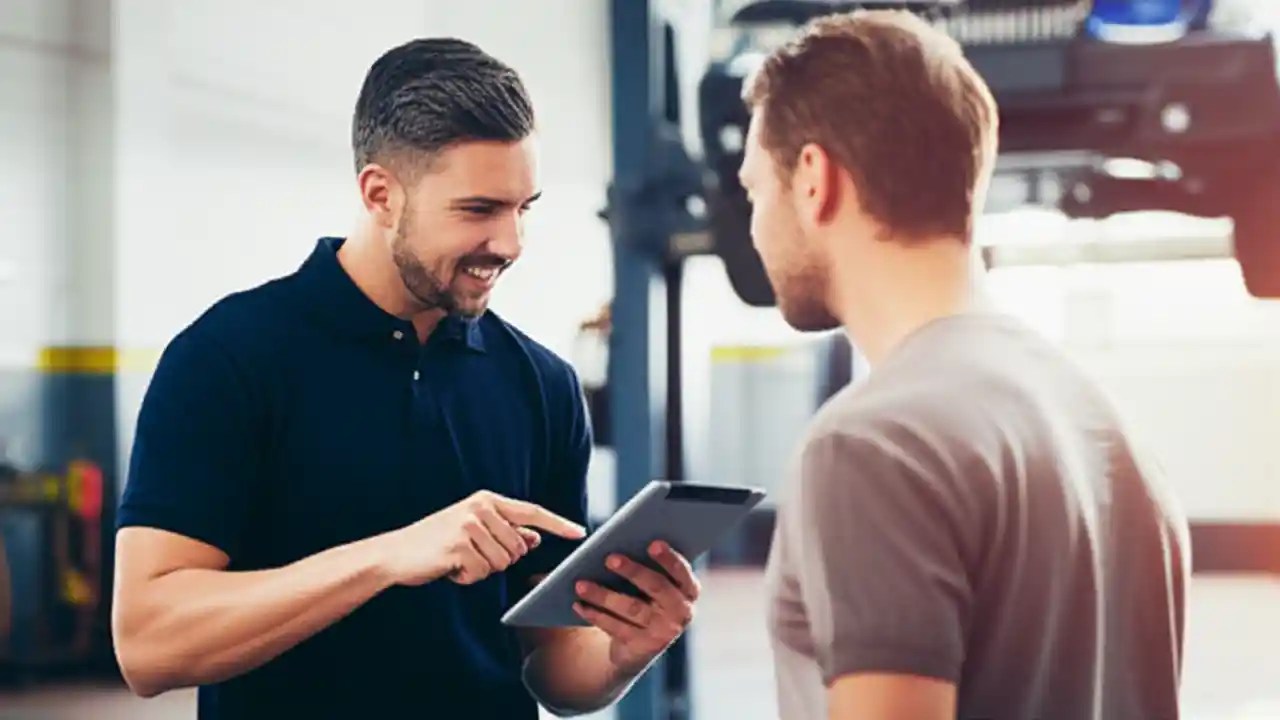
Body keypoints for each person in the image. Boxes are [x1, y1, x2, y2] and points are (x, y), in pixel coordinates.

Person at [111, 38, 700, 719]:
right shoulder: (227, 359)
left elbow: (555, 667)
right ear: (380, 195)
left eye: (523, 208)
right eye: (478, 210)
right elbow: (147, 644)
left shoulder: (543, 385)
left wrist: (622, 653)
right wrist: (388, 558)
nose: (510, 244)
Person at [736, 10, 1191, 720]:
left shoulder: (873, 445)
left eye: (754, 190)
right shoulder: (1107, 426)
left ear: (814, 180)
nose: (755, 226)